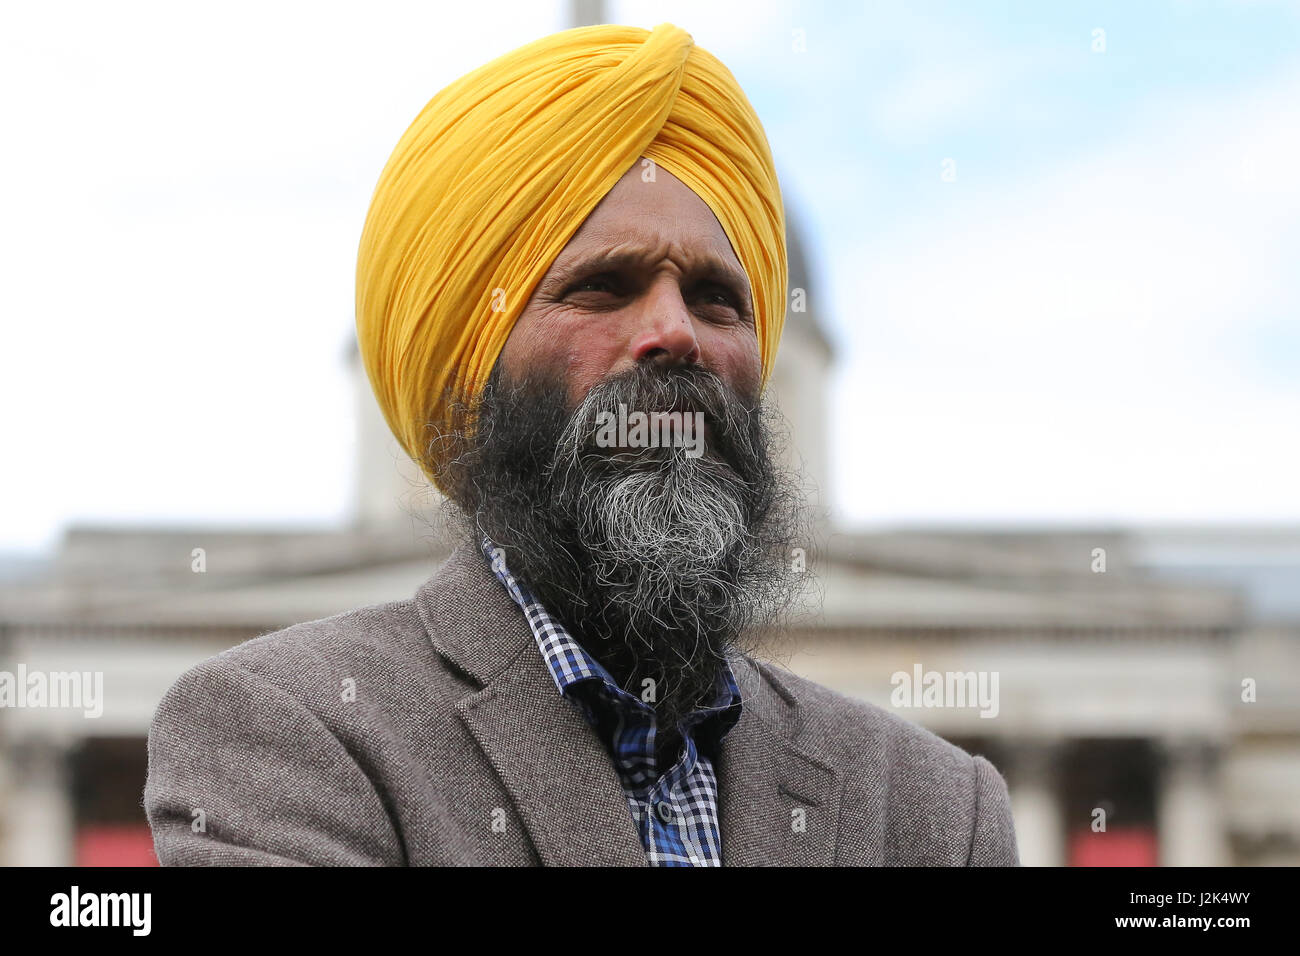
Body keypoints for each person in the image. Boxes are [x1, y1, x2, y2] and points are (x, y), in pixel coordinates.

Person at [144, 22, 1019, 866]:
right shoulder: (288, 731)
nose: (675, 331)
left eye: (718, 298)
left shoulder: (941, 808)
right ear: (468, 369)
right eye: (604, 287)